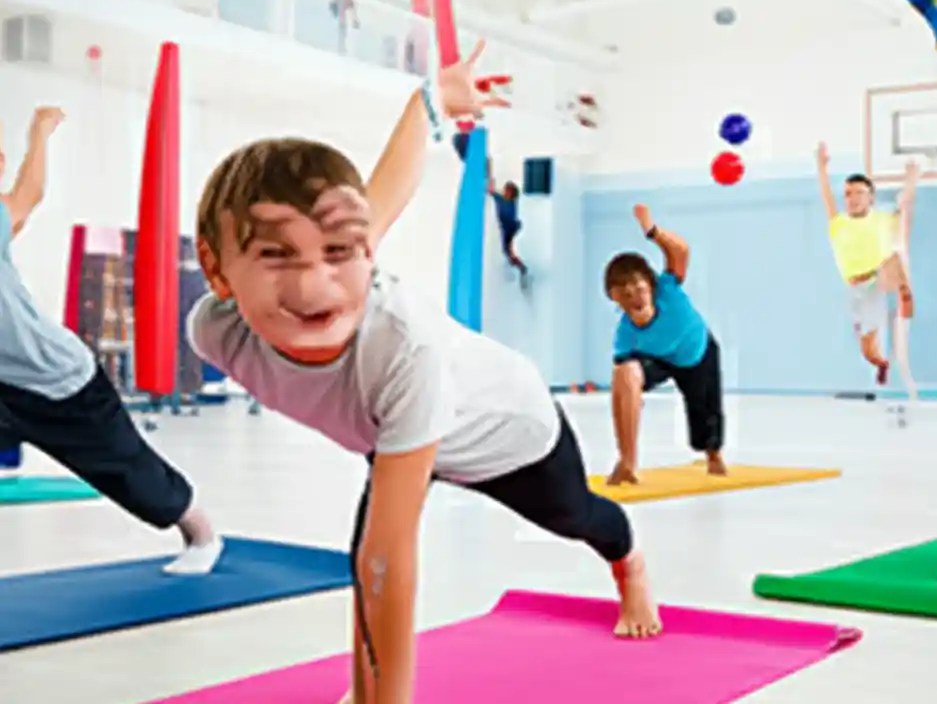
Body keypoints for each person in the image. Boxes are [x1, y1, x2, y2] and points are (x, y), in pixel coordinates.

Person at [186, 41, 660, 704]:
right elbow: (377, 198)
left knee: (575, 516)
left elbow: (390, 556)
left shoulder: (402, 348)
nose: (314, 282)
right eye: (274, 254)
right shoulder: (219, 330)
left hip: (507, 430)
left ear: (363, 250)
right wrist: (430, 102)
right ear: (216, 271)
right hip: (397, 429)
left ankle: (629, 562)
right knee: (365, 552)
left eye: (337, 251)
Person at [0, 107, 221, 575]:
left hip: (59, 381)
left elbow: (28, 193)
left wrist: (38, 133)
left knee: (129, 472)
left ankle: (201, 533)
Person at [604, 203, 725, 486]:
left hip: (697, 352)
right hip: (658, 359)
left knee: (705, 421)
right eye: (624, 292)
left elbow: (680, 251)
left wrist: (653, 231)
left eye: (639, 287)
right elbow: (620, 394)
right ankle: (629, 464)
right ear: (615, 300)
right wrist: (625, 455)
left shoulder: (667, 288)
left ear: (651, 284)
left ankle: (713, 454)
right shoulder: (626, 336)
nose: (634, 297)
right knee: (625, 374)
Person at [814, 142, 919, 417]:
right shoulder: (838, 224)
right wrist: (821, 167)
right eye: (848, 194)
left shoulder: (883, 219)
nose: (853, 198)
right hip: (857, 288)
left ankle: (907, 304)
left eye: (859, 193)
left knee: (893, 260)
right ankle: (881, 363)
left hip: (880, 277)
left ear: (870, 198)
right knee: (868, 349)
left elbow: (904, 204)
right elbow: (826, 196)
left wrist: (911, 178)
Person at [488, 161, 529, 287]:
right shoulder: (503, 199)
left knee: (508, 251)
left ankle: (522, 268)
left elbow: (493, 193)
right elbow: (491, 191)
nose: (504, 192)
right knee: (507, 252)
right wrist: (489, 172)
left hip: (510, 229)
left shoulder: (509, 203)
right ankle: (519, 267)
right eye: (505, 190)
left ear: (511, 194)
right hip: (509, 228)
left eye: (507, 191)